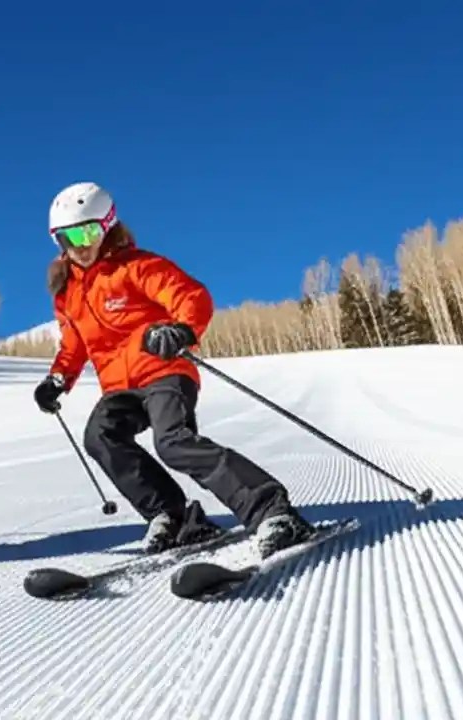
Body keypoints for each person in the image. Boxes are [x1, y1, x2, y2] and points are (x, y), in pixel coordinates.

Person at [32, 181, 315, 558]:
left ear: (108, 227)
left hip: (164, 369)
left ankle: (272, 512)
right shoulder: (68, 293)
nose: (79, 246)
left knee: (173, 442)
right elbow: (73, 344)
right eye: (67, 238)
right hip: (119, 387)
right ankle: (172, 517)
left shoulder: (137, 266)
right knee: (100, 438)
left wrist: (181, 329)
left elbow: (190, 296)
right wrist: (58, 379)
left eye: (87, 232)